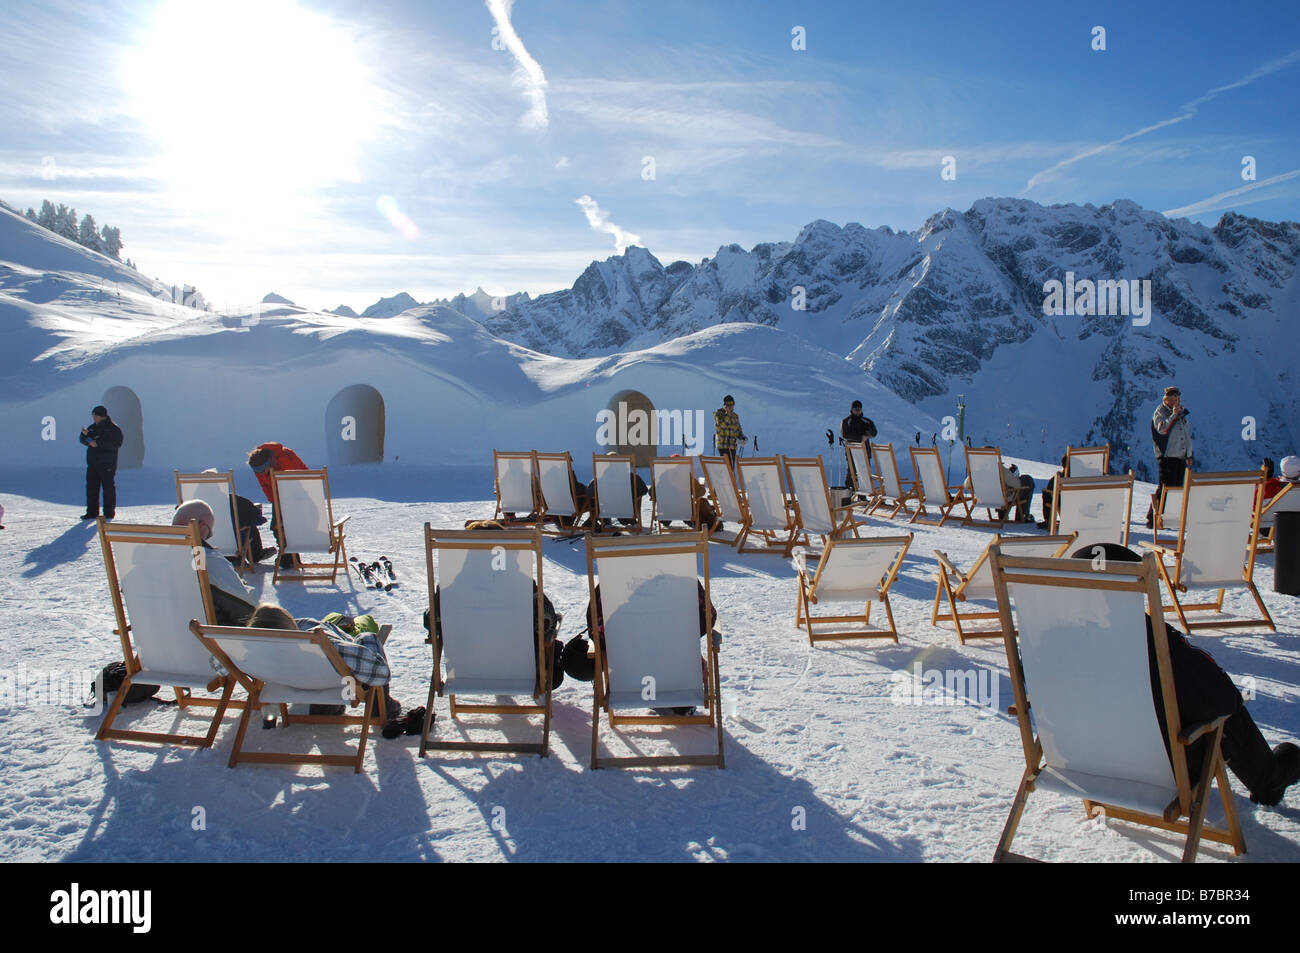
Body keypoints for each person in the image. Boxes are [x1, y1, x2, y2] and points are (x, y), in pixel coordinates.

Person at [1071, 544, 1299, 806]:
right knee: (1228, 714)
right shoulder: (1151, 641)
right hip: (1154, 769)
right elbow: (1221, 699)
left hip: (1086, 765)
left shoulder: (1052, 640)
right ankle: (1269, 780)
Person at [424, 520, 564, 692]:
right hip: (519, 668)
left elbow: (430, 620)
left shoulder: (449, 591)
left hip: (466, 666)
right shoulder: (523, 585)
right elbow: (546, 619)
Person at [247, 603, 400, 724]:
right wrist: (369, 640)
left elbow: (223, 670)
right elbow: (379, 673)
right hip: (330, 680)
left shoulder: (247, 650)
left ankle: (326, 707)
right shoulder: (321, 644)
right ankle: (381, 706)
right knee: (367, 638)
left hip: (291, 679)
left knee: (324, 663)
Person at [172, 499, 256, 626]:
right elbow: (246, 609)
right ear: (201, 525)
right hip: (211, 638)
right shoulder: (206, 559)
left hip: (160, 637)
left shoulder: (154, 557)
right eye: (209, 533)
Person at [247, 442, 308, 568]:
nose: (260, 473)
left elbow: (296, 481)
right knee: (276, 526)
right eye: (256, 471)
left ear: (269, 462)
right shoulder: (259, 467)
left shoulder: (285, 457)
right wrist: (274, 502)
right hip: (280, 496)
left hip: (300, 493)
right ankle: (288, 555)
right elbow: (266, 487)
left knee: (290, 525)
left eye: (262, 469)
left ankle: (288, 556)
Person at [1146, 386, 1192, 527]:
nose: (1174, 401)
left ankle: (1168, 518)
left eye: (1176, 398)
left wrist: (1189, 454)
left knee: (1177, 487)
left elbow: (1186, 436)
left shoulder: (1181, 414)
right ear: (1165, 399)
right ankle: (1153, 518)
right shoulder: (1160, 411)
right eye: (1171, 398)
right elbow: (1162, 429)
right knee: (1165, 487)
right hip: (1167, 456)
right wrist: (1173, 415)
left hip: (1180, 456)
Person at [79, 405, 124, 521]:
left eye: (95, 416)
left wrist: (98, 443)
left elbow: (116, 444)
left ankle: (109, 513)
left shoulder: (114, 429)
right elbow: (84, 439)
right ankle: (91, 512)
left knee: (108, 488)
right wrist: (85, 437)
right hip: (93, 464)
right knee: (91, 488)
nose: (93, 418)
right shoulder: (92, 428)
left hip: (107, 464)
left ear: (101, 416)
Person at [713, 395, 746, 471]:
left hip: (732, 446)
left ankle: (730, 482)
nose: (730, 406)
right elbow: (722, 425)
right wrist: (727, 414)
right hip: (723, 445)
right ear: (724, 405)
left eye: (732, 403)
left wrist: (742, 437)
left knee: (731, 468)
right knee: (725, 468)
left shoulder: (735, 416)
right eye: (728, 404)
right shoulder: (719, 414)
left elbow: (738, 429)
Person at [1038, 454, 1069, 529]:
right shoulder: (1082, 477)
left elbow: (1049, 488)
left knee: (1046, 493)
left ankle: (1049, 521)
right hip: (1078, 501)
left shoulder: (1059, 478)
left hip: (1063, 502)